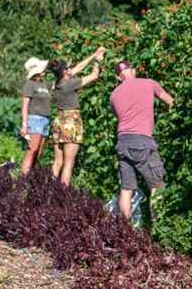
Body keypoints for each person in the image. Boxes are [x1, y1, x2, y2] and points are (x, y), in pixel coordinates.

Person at [109, 60, 175, 220]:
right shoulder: (149, 83)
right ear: (133, 70)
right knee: (157, 185)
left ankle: (124, 229)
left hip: (123, 141)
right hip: (142, 141)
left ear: (118, 77)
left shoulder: (114, 95)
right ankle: (158, 226)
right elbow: (171, 102)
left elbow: (119, 116)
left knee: (126, 188)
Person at [50, 47, 105, 186]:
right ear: (64, 72)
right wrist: (97, 61)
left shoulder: (57, 84)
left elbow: (77, 68)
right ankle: (62, 196)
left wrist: (93, 54)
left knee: (58, 162)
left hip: (59, 120)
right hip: (71, 121)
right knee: (69, 163)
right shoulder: (70, 84)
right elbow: (94, 76)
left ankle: (48, 192)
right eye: (68, 68)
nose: (71, 69)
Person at [20, 57, 52, 175]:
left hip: (45, 120)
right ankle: (23, 180)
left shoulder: (44, 85)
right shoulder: (30, 85)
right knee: (32, 150)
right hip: (35, 119)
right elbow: (25, 105)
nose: (44, 71)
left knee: (38, 153)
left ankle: (31, 177)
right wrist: (24, 125)